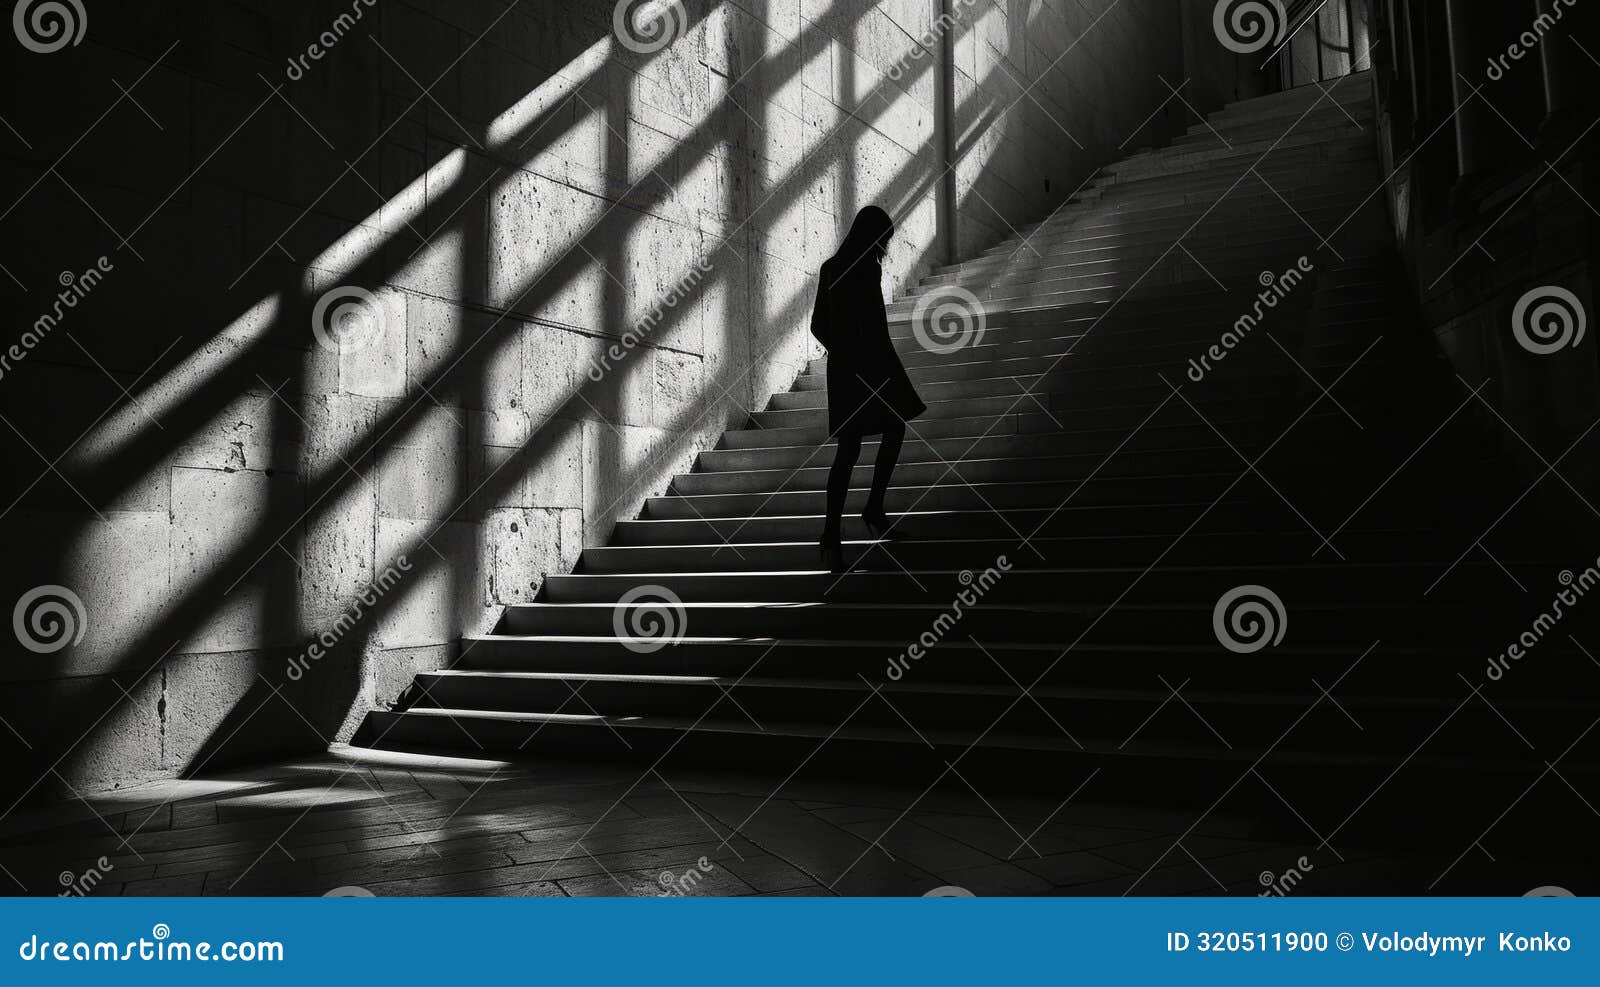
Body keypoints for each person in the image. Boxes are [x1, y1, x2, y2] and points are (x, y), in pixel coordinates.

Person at [808, 206, 927, 573]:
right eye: (884, 239)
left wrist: (841, 352)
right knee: (894, 429)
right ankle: (874, 507)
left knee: (848, 450)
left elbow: (817, 325)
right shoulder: (868, 268)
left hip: (843, 371)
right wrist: (887, 370)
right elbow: (876, 328)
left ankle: (831, 534)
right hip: (870, 368)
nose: (885, 245)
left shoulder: (831, 267)